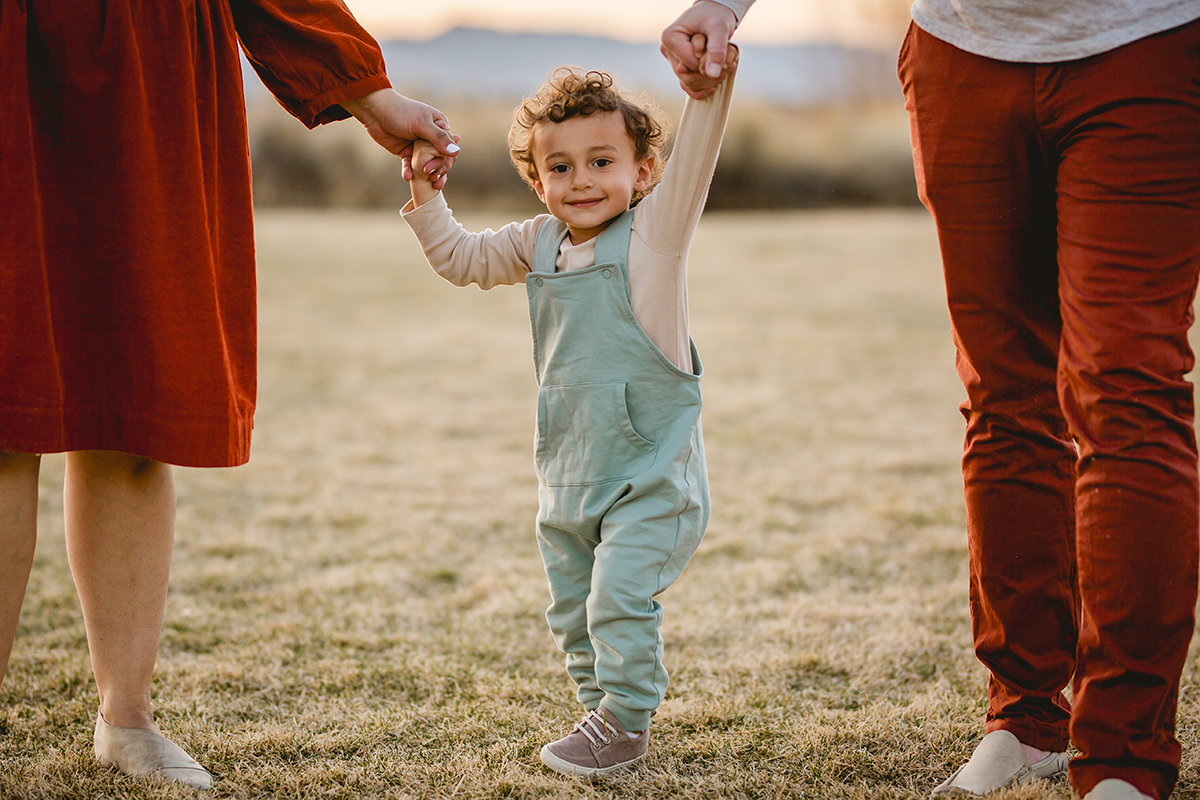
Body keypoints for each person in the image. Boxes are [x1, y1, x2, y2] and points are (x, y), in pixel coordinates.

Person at [664, 2, 1200, 800]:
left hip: (1146, 46)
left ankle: (1124, 758)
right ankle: (1024, 721)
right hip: (962, 50)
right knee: (1005, 399)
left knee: (1127, 391)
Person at [1, 0, 459, 790]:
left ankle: (127, 718)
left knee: (139, 400)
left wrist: (367, 90)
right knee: (4, 415)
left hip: (155, 73)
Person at [400, 59, 737, 777]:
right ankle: (600, 710)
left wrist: (710, 85)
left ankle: (625, 719)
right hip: (572, 465)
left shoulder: (656, 239)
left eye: (602, 161)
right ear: (537, 180)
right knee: (574, 607)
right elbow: (461, 260)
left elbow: (700, 154)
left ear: (644, 172)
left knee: (618, 595)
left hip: (651, 473)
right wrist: (428, 200)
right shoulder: (538, 243)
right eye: (561, 167)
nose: (581, 180)